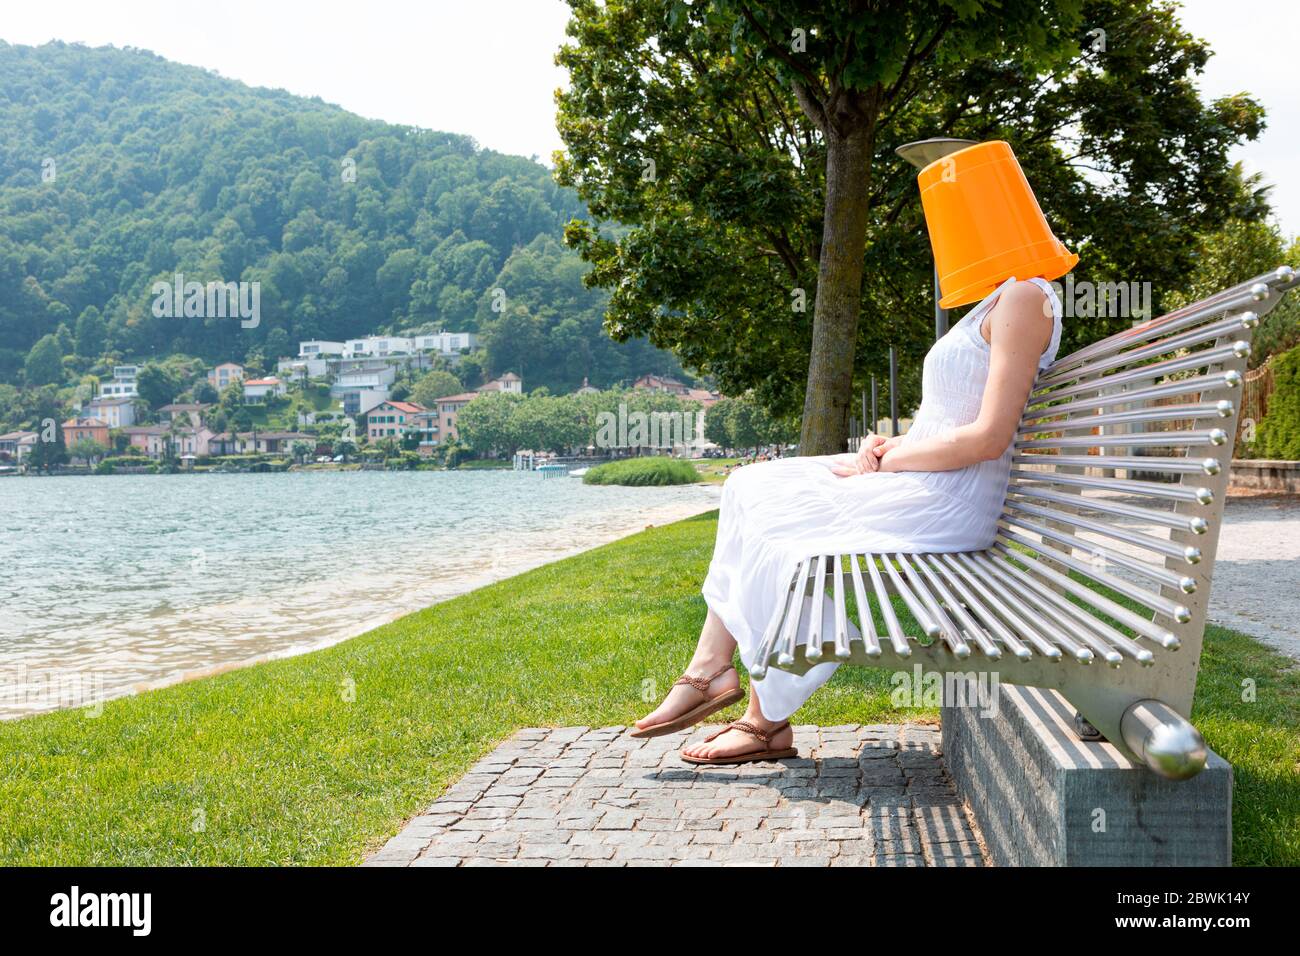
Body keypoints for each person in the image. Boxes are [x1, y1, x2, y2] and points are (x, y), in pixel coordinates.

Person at [632, 140, 1079, 764]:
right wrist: (889, 444)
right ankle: (716, 670)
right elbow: (954, 415)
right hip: (926, 476)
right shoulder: (998, 299)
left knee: (774, 509)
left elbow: (988, 436)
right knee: (747, 485)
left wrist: (891, 462)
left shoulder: (1025, 298)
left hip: (949, 499)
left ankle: (761, 713)